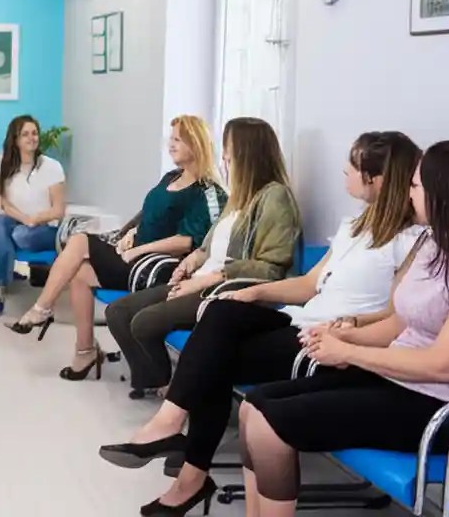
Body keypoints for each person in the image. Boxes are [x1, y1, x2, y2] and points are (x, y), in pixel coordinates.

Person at [98, 131, 424, 516]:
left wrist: (348, 329)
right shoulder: (353, 225)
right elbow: (309, 285)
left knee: (213, 359)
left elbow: (398, 316)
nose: (344, 171)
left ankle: (185, 470)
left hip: (327, 341)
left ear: (378, 179)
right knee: (221, 313)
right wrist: (253, 293)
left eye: (352, 165)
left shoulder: (413, 241)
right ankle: (173, 437)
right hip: (300, 320)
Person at [236, 140, 449, 517]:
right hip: (403, 382)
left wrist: (350, 353)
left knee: (269, 425)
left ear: (445, 197)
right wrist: (345, 335)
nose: (408, 193)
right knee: (253, 407)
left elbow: (443, 366)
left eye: (415, 186)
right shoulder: (434, 246)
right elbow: (399, 322)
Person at [8, 115, 224, 378]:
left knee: (80, 241)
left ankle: (41, 309)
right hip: (135, 255)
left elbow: (186, 241)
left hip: (155, 268)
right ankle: (85, 351)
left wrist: (138, 250)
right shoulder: (171, 177)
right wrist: (131, 233)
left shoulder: (206, 191)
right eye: (171, 138)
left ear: (196, 143)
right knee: (80, 273)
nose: (171, 144)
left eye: (178, 139)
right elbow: (149, 215)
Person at [102, 118, 301, 393]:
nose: (225, 157)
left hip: (224, 291)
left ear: (247, 153)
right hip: (201, 280)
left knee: (144, 323)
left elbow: (272, 268)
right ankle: (160, 381)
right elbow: (209, 247)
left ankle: (177, 390)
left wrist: (208, 279)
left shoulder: (274, 197)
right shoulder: (239, 197)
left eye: (229, 149)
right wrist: (190, 262)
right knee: (117, 312)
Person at [0, 115, 66, 320]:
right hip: (15, 221)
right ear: (16, 139)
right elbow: (2, 204)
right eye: (25, 134)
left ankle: (13, 266)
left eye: (34, 133)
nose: (31, 138)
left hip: (44, 228)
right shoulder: (3, 165)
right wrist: (24, 218)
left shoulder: (51, 166)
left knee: (21, 235)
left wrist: (35, 219)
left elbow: (58, 210)